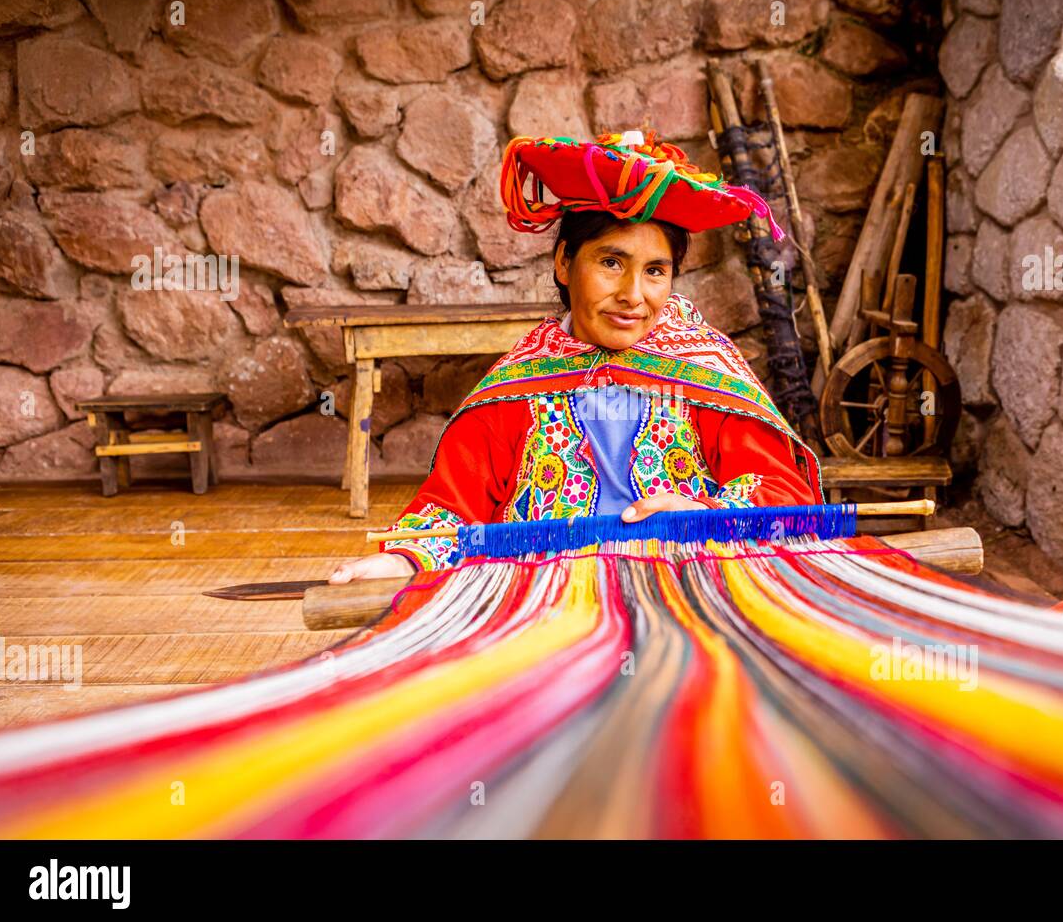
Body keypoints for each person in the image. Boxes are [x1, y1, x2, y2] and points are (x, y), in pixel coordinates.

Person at [330, 129, 822, 583]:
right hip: (545, 599)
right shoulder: (523, 381)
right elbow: (452, 505)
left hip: (687, 586)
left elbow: (781, 493)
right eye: (611, 263)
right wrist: (400, 557)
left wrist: (706, 514)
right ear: (564, 262)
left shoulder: (702, 370)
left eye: (655, 271)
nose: (634, 295)